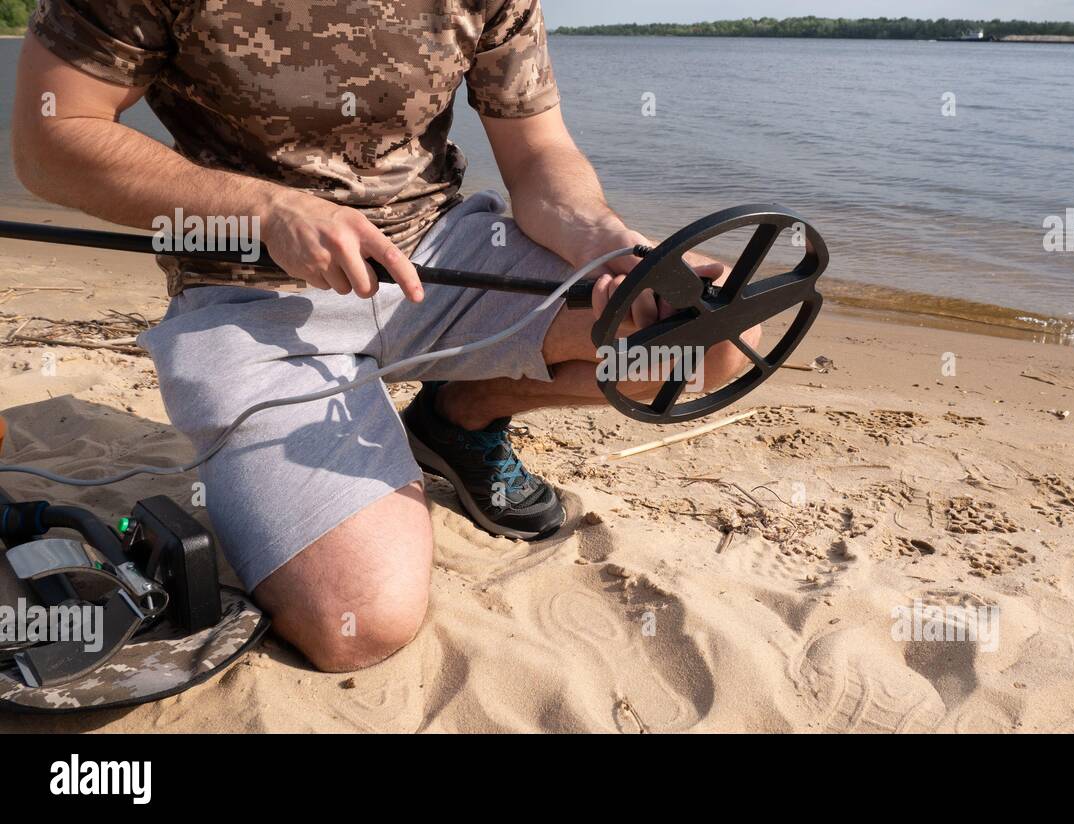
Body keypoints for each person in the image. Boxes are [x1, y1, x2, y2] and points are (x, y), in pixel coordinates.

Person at [11, 0, 760, 671]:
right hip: (245, 296)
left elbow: (538, 161)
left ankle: (460, 418)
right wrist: (265, 210)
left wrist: (612, 249)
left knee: (703, 336)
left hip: (445, 261)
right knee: (362, 623)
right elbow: (52, 138)